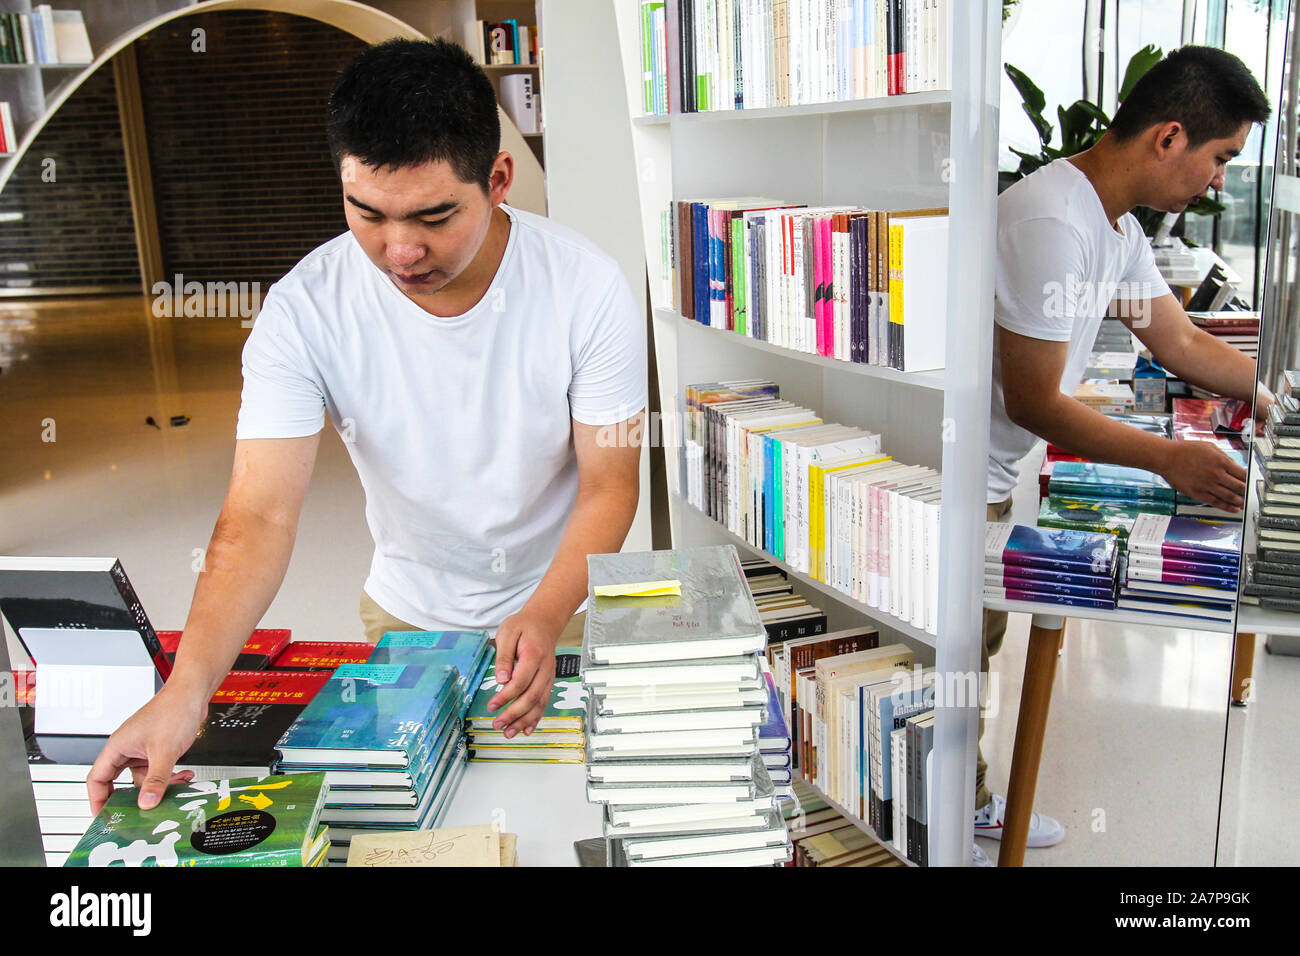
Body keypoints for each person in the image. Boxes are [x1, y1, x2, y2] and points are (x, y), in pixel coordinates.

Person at [87, 38, 646, 814]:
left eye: (434, 216)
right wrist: (186, 692)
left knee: (558, 814)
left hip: (564, 600)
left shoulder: (588, 288)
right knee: (414, 824)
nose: (401, 250)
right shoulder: (303, 310)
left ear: (499, 179)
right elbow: (257, 516)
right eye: (368, 214)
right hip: (405, 609)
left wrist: (547, 613)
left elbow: (612, 484)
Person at [975, 45, 1272, 863]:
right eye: (1221, 158)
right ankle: (950, 815)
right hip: (958, 483)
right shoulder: (1050, 220)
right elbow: (1034, 400)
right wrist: (1168, 461)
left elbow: (1177, 338)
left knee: (978, 648)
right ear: (1170, 137)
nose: (1219, 182)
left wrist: (1274, 390)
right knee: (959, 656)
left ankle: (963, 801)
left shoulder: (1113, 221)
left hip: (1000, 477)